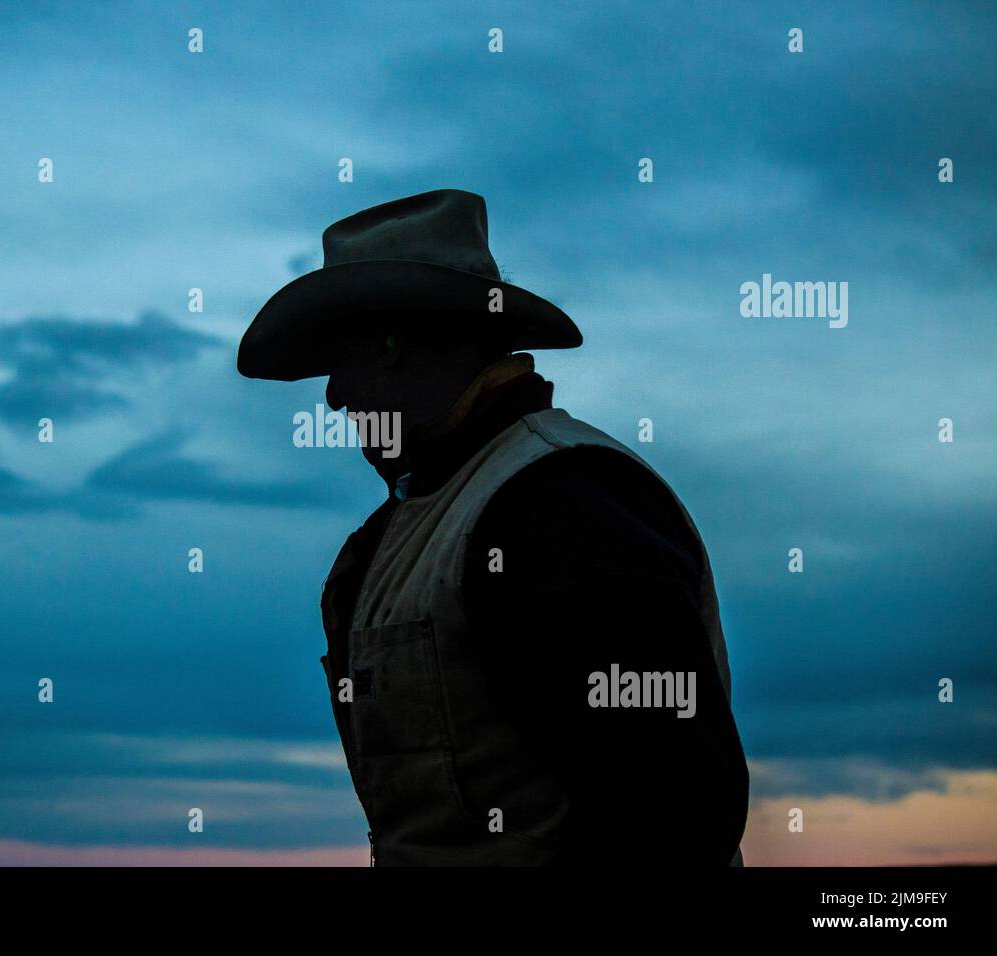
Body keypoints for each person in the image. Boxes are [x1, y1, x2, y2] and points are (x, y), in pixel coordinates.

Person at [238, 189, 748, 866]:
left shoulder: (565, 504)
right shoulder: (425, 521)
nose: (333, 395)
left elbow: (673, 817)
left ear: (392, 344)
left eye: (342, 357)